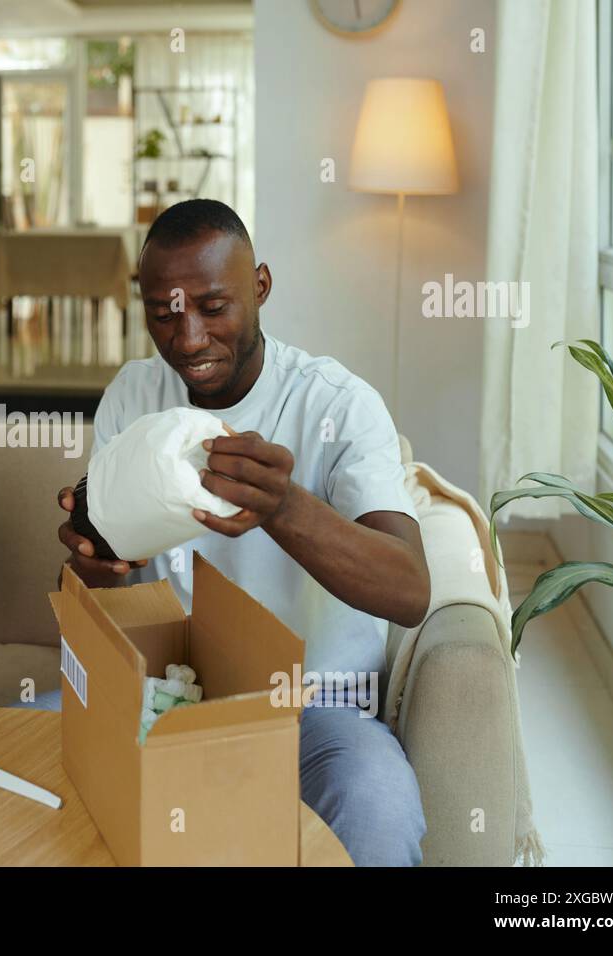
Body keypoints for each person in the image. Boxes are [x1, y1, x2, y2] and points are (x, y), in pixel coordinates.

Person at [51, 198, 431, 866]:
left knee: (376, 802)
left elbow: (408, 590)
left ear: (260, 287)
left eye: (212, 306)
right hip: (170, 692)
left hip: (313, 708)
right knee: (21, 737)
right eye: (163, 311)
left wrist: (285, 508)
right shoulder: (134, 396)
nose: (188, 337)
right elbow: (104, 590)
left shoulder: (335, 405)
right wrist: (93, 559)